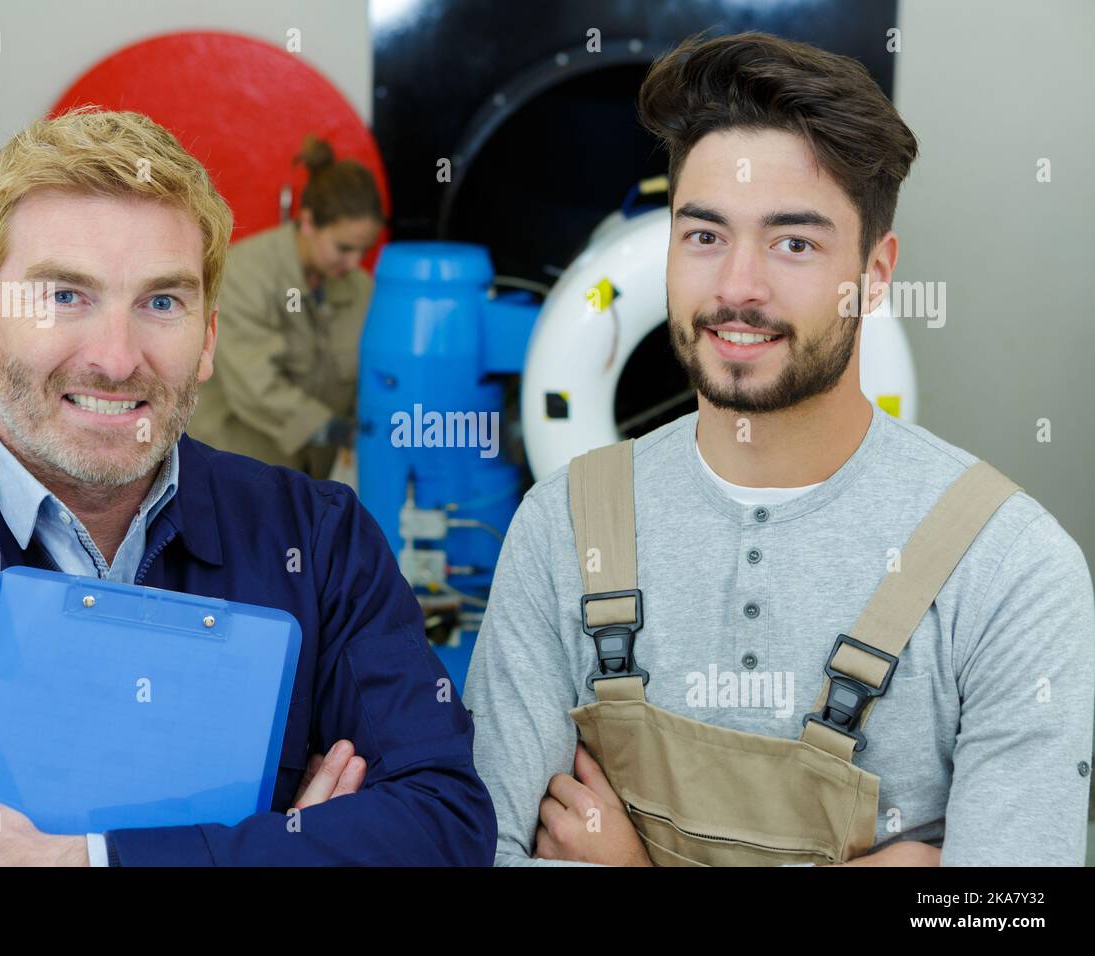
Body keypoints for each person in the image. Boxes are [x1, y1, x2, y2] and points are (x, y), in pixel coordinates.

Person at [0, 108, 495, 866]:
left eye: (162, 302)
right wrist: (282, 849)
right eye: (64, 296)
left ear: (208, 340)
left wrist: (85, 859)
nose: (116, 358)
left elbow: (445, 826)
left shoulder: (321, 542)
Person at [464, 31, 1094, 867]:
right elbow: (486, 853)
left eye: (794, 242)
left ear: (875, 274)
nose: (737, 287)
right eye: (705, 235)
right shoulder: (561, 530)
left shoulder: (1014, 572)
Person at [187, 135, 383, 479]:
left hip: (307, 475)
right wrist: (334, 428)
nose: (354, 263)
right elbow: (256, 387)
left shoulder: (359, 288)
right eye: (343, 248)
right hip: (234, 470)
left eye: (363, 251)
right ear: (308, 222)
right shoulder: (244, 275)